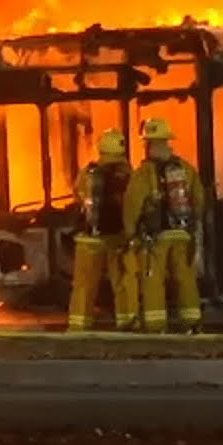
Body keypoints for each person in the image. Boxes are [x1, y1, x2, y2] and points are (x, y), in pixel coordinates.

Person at [123, 117, 205, 334]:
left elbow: (132, 204)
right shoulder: (186, 169)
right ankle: (192, 323)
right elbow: (199, 198)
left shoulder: (144, 173)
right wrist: (192, 225)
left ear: (149, 144)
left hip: (155, 237)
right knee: (185, 278)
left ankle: (155, 325)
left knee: (153, 280)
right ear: (168, 141)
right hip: (183, 232)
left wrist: (131, 233)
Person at [67, 129, 138, 332]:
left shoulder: (88, 173)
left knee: (84, 285)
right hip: (119, 238)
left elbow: (78, 196)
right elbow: (134, 201)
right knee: (124, 283)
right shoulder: (128, 173)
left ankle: (79, 326)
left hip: (90, 238)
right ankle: (127, 322)